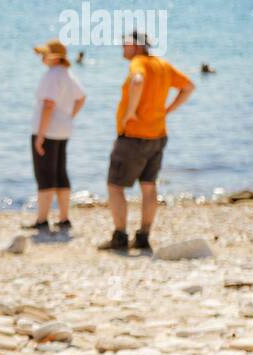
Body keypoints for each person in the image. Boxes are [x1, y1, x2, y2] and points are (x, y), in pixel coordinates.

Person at [99, 32, 194, 253]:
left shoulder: (138, 62)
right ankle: (143, 236)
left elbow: (138, 80)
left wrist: (130, 112)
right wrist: (167, 111)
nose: (122, 47)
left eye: (124, 43)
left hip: (133, 136)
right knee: (149, 186)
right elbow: (188, 87)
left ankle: (120, 236)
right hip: (158, 135)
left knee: (115, 186)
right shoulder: (162, 64)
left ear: (134, 45)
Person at [26, 40, 86, 233]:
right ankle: (64, 217)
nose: (41, 58)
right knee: (60, 172)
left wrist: (40, 135)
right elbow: (82, 97)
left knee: (44, 173)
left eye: (44, 54)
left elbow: (48, 104)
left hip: (49, 130)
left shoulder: (52, 75)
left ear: (54, 57)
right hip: (63, 130)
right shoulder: (67, 74)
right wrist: (68, 116)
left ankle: (42, 219)